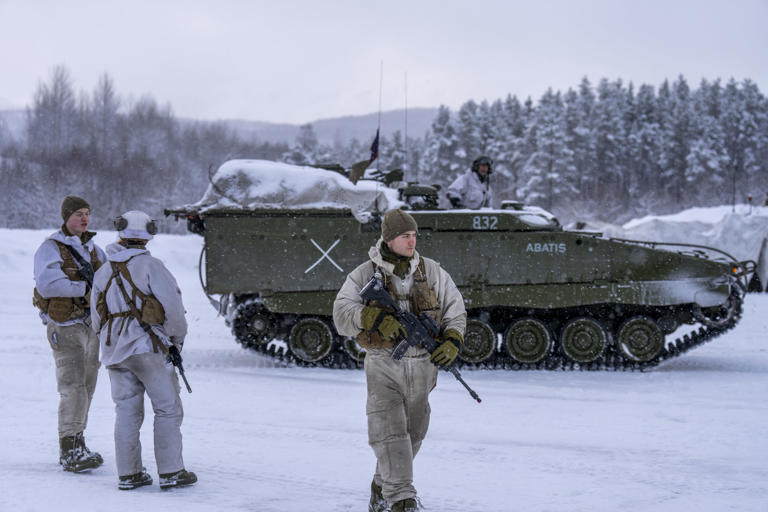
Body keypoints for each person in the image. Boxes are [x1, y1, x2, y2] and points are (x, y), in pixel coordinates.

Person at [333, 209, 467, 512]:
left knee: (414, 435)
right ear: (389, 239)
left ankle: (381, 487)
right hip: (384, 365)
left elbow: (454, 310)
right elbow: (341, 315)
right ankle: (402, 499)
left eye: (414, 235)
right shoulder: (364, 274)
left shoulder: (431, 271)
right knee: (390, 433)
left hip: (423, 368)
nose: (412, 240)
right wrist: (371, 317)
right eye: (405, 235)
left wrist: (453, 339)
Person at [90, 210, 197, 491]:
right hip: (149, 348)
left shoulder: (103, 271)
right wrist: (176, 340)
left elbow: (95, 319)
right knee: (167, 410)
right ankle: (172, 471)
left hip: (115, 351)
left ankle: (129, 474)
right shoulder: (152, 266)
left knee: (126, 412)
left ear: (121, 233)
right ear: (149, 234)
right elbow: (173, 309)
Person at [33, 195, 107, 473]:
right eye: (78, 214)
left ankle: (79, 441)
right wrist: (86, 291)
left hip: (91, 326)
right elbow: (49, 284)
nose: (84, 218)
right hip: (65, 327)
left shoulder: (96, 251)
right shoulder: (50, 248)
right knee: (72, 387)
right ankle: (68, 449)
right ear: (66, 217)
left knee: (87, 387)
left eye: (87, 213)